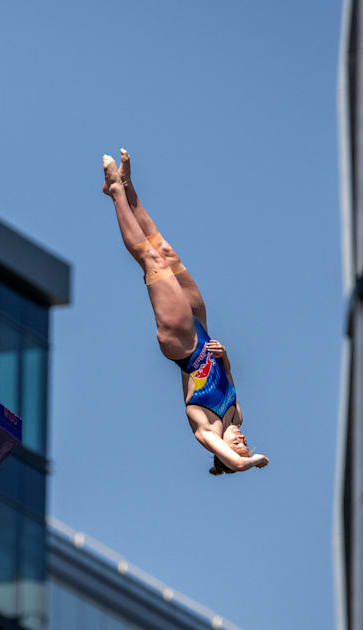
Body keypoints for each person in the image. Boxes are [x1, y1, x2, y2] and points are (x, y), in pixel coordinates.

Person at [101, 149, 269, 475]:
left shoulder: (205, 429)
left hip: (184, 345)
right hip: (202, 330)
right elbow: (228, 375)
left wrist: (247, 461)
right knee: (165, 251)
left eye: (238, 444)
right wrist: (226, 355)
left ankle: (115, 192)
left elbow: (234, 460)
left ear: (224, 453)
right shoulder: (237, 415)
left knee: (151, 260)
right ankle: (129, 186)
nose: (241, 437)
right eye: (246, 442)